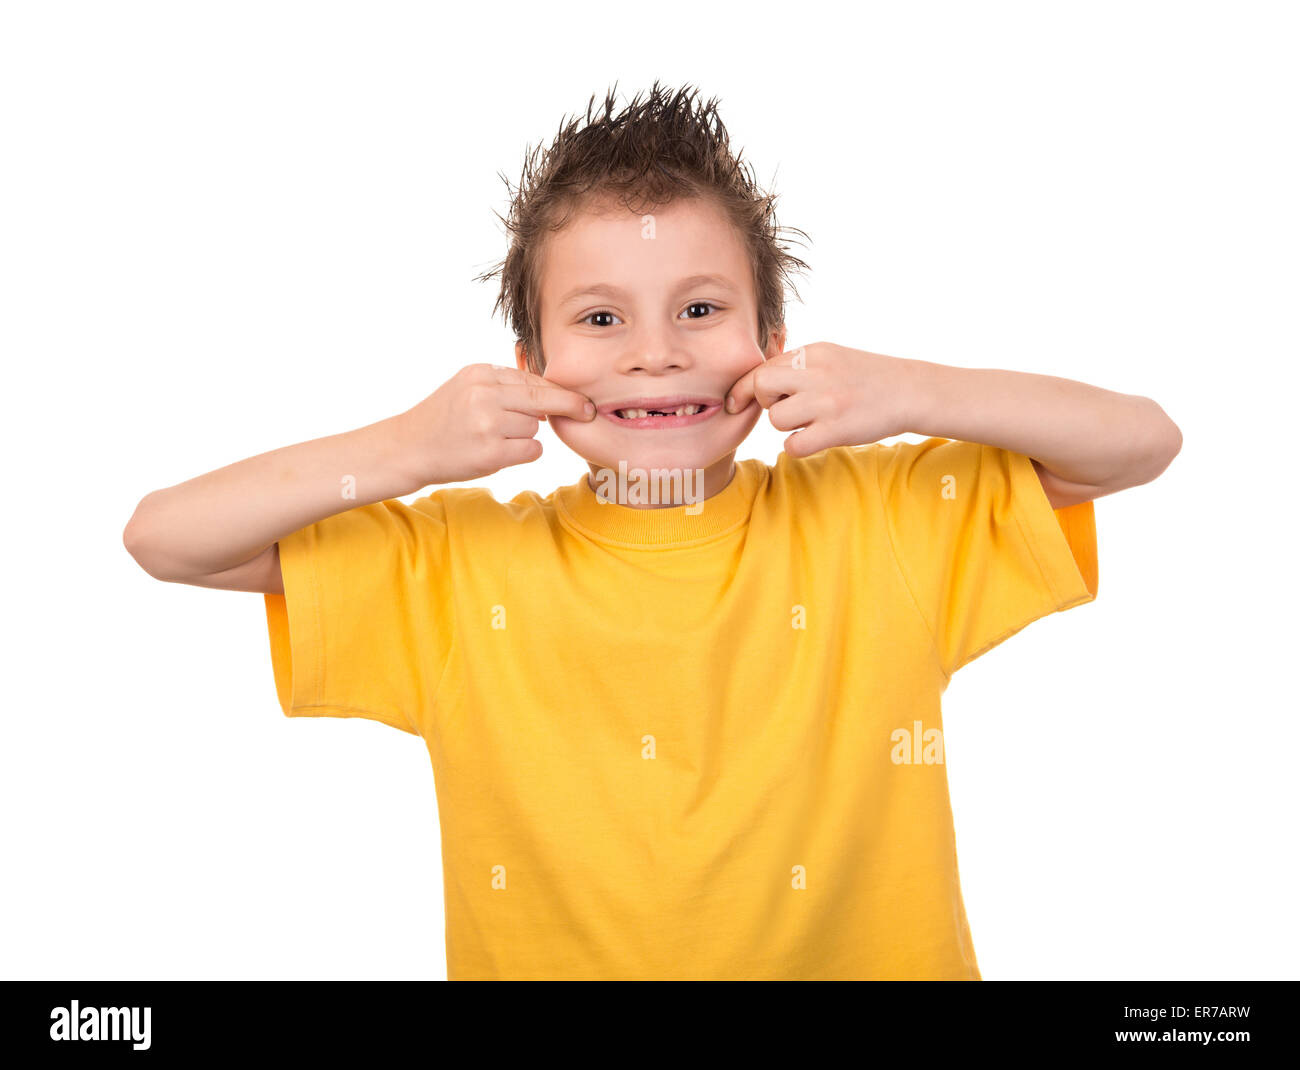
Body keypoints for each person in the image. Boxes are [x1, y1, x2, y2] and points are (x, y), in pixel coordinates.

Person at [123, 81, 1181, 979]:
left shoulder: (880, 520)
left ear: (772, 341)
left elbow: (1136, 443)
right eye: (599, 318)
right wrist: (405, 447)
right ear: (529, 368)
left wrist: (909, 390)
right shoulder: (451, 563)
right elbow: (168, 538)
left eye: (699, 309)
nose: (653, 353)